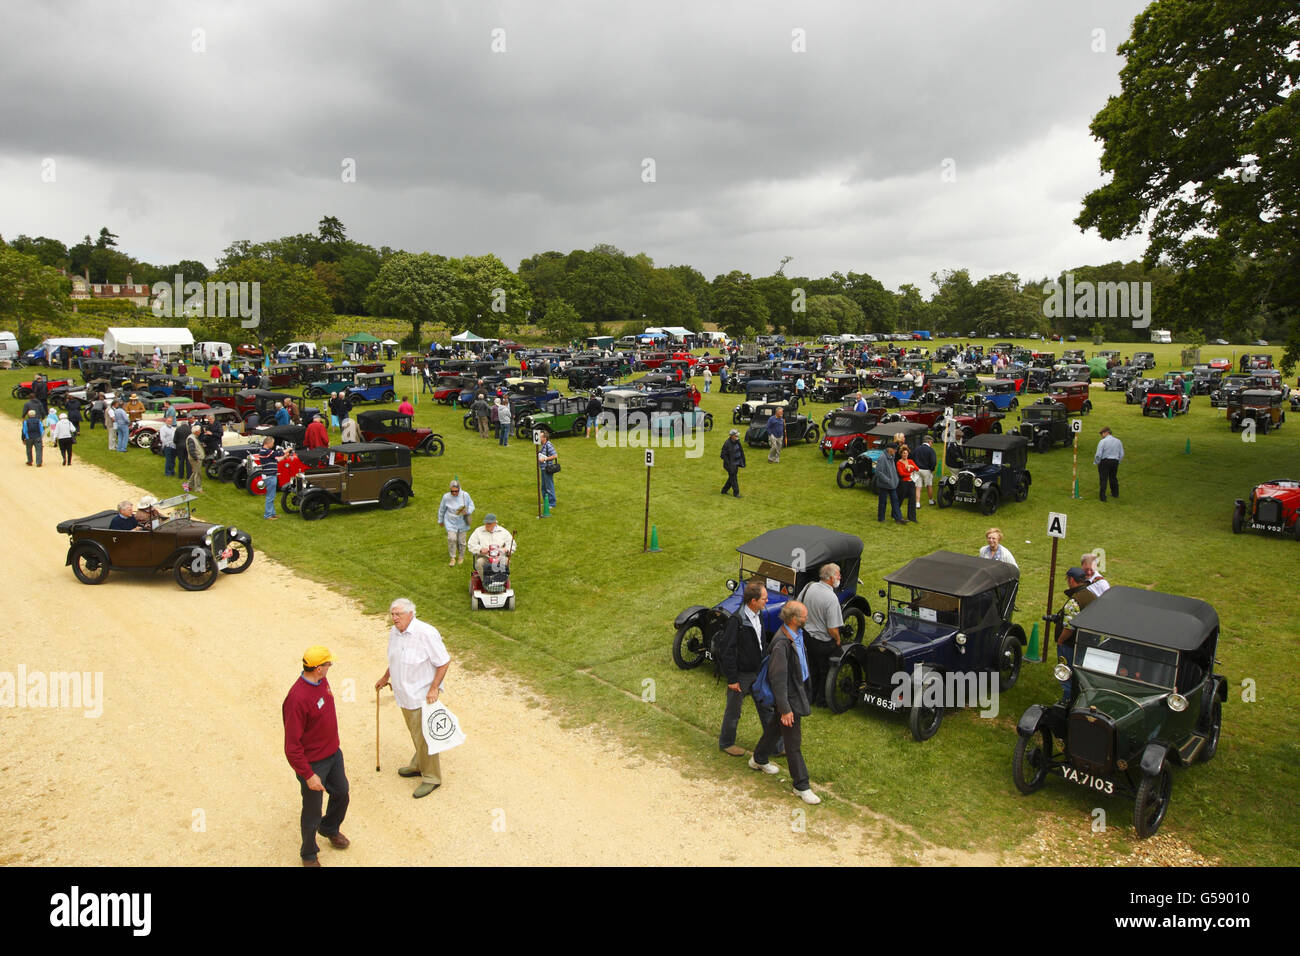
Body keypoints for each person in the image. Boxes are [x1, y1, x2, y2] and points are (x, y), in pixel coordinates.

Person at [375, 599, 450, 799]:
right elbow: (395, 659)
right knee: (416, 733)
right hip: (403, 694)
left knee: (425, 737)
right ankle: (418, 765)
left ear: (411, 614)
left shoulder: (426, 633)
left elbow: (443, 662)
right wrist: (385, 677)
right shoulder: (395, 633)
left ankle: (432, 777)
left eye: (398, 614)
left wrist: (434, 689)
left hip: (421, 696)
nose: (394, 618)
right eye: (392, 614)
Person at [283, 645, 350, 867]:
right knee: (312, 811)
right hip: (313, 764)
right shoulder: (297, 699)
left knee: (341, 792)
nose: (331, 666)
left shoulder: (322, 682)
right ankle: (308, 854)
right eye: (329, 664)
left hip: (333, 755)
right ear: (319, 668)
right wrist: (308, 774)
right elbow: (292, 747)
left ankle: (329, 828)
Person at [749, 602, 819, 805]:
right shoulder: (781, 644)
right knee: (793, 743)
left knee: (774, 729)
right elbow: (778, 679)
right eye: (805, 616)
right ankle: (801, 786)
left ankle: (759, 759)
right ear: (794, 619)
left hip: (796, 692)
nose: (807, 618)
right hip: (789, 699)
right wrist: (786, 709)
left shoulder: (796, 635)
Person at [717, 578, 776, 755]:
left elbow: (761, 642)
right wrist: (733, 679)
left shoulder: (759, 616)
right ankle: (726, 743)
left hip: (758, 671)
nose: (767, 601)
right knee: (734, 711)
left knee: (766, 707)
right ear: (753, 601)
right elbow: (727, 650)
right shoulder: (737, 620)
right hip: (741, 675)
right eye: (764, 598)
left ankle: (776, 745)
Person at [799, 565, 844, 708]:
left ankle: (809, 696)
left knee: (811, 666)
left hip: (806, 636)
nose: (840, 577)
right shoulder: (831, 598)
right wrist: (837, 640)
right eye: (838, 575)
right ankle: (822, 699)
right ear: (830, 579)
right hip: (822, 641)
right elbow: (832, 628)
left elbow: (798, 606)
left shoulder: (809, 587)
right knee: (825, 670)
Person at [437, 479, 475, 565]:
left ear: (459, 489)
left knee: (461, 541)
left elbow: (472, 505)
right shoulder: (446, 497)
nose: (454, 493)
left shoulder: (465, 495)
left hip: (462, 521)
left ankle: (461, 556)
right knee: (452, 538)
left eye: (456, 491)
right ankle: (452, 557)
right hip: (450, 521)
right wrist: (440, 520)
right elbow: (442, 509)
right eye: (452, 491)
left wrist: (468, 511)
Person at [253, 436, 286, 518]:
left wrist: (284, 457)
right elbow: (278, 453)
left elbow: (276, 459)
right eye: (273, 443)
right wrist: (287, 450)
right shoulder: (266, 451)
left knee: (272, 495)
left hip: (270, 475)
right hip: (270, 476)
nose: (273, 444)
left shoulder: (266, 452)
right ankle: (268, 515)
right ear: (269, 443)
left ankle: (272, 514)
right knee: (270, 496)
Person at [876, 444, 906, 524]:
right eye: (895, 449)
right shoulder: (882, 458)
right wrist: (887, 480)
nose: (896, 451)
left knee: (895, 501)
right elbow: (879, 472)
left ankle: (898, 518)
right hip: (884, 484)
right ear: (890, 449)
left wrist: (894, 480)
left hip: (892, 484)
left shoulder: (892, 457)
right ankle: (881, 518)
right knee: (883, 502)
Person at [1094, 426, 1124, 501]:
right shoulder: (1118, 441)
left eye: (1102, 434)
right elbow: (1122, 454)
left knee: (1103, 479)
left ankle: (1103, 497)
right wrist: (1118, 461)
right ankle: (1115, 493)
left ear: (1106, 433)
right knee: (1113, 477)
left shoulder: (1103, 442)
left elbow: (1098, 454)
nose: (1101, 435)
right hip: (1115, 461)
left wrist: (1097, 462)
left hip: (1105, 461)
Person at [896, 444, 919, 522]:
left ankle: (912, 517)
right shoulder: (899, 463)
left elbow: (917, 469)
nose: (905, 454)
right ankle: (895, 513)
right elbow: (901, 473)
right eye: (903, 453)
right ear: (901, 454)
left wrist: (912, 467)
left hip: (911, 482)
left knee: (912, 499)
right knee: (900, 498)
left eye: (906, 453)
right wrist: (910, 473)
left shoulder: (910, 461)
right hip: (903, 483)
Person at [912, 436, 938, 506]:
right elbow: (933, 462)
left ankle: (917, 503)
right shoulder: (930, 450)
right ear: (929, 442)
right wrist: (932, 469)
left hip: (917, 469)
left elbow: (912, 458)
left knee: (918, 486)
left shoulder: (916, 449)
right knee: (929, 485)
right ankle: (931, 501)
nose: (932, 444)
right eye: (932, 443)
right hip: (927, 470)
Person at [538, 429, 558, 510]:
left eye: (540, 437)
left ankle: (552, 503)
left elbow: (555, 455)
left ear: (544, 438)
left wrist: (545, 459)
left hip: (547, 468)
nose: (539, 438)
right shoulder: (543, 445)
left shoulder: (548, 445)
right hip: (543, 468)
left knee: (549, 486)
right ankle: (546, 501)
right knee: (543, 486)